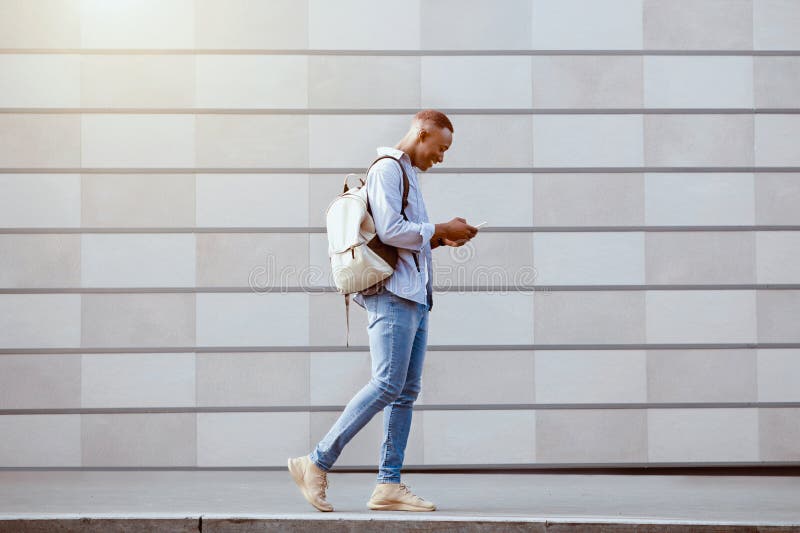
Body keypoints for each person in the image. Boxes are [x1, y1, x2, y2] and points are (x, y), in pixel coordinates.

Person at [288, 110, 479, 512]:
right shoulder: (388, 168)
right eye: (440, 148)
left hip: (415, 296)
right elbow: (391, 230)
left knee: (405, 392)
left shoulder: (409, 174)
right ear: (421, 133)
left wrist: (443, 240)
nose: (441, 157)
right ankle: (316, 462)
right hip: (391, 294)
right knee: (387, 384)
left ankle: (387, 484)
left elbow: (401, 239)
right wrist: (440, 228)